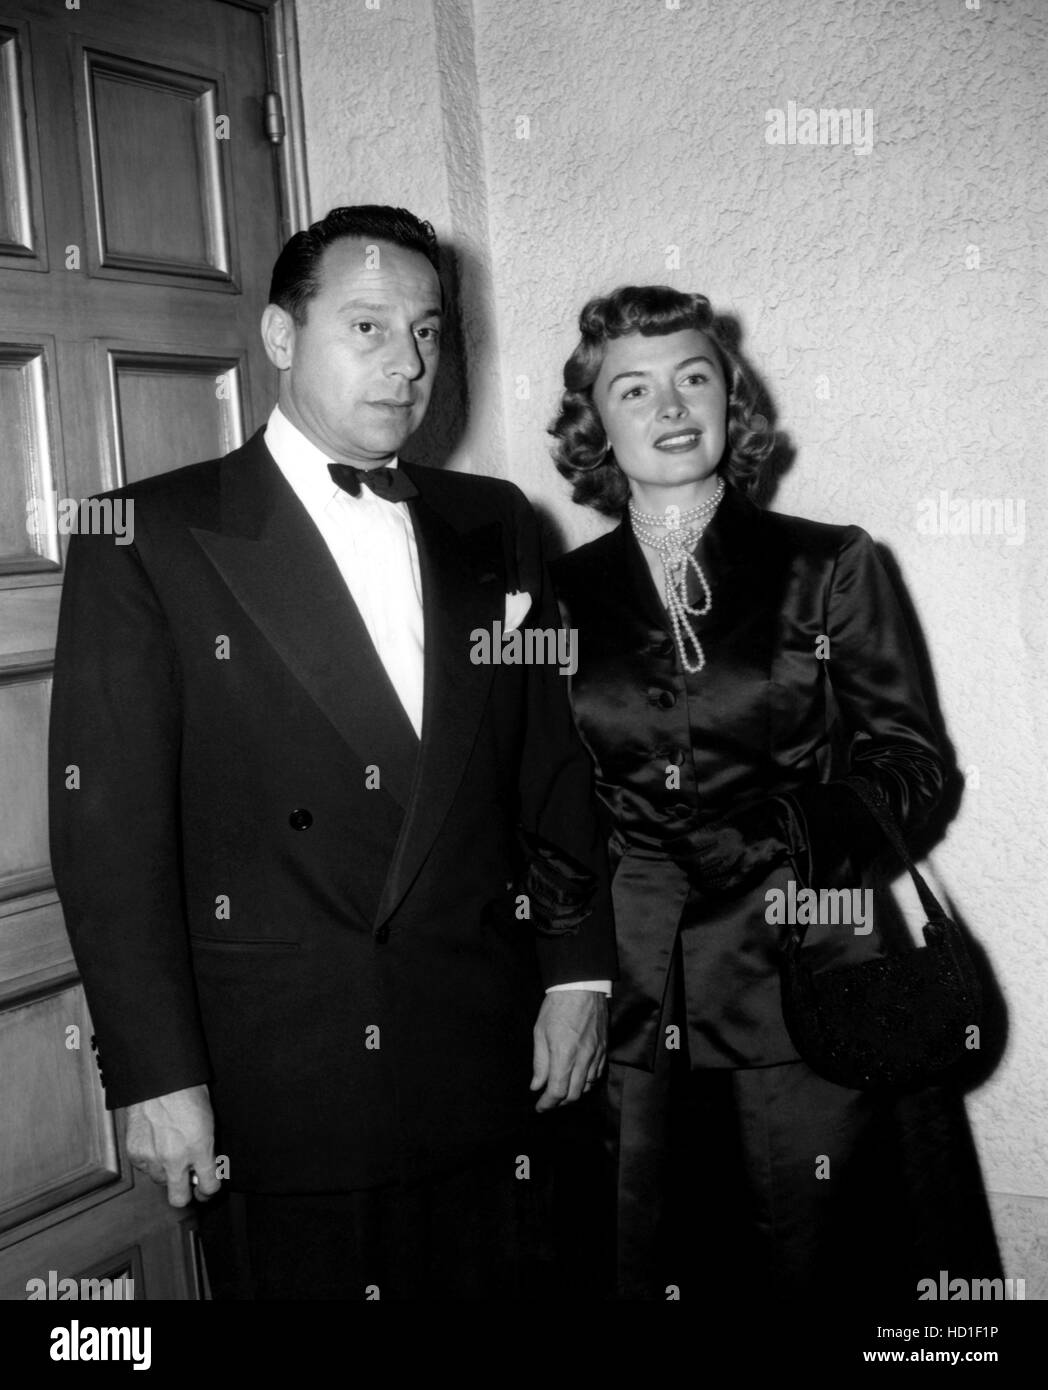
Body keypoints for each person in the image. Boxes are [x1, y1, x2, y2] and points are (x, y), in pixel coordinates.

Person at [47, 205, 616, 1301]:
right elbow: (107, 837)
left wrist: (576, 971)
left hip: (494, 1066)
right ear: (277, 337)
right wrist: (158, 1074)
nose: (407, 363)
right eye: (367, 326)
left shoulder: (496, 523)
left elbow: (549, 771)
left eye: (429, 332)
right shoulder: (147, 535)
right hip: (280, 1088)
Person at [548, 284, 1002, 1302]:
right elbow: (541, 802)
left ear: (729, 399)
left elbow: (913, 767)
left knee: (826, 1265)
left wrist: (786, 832)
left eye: (693, 378)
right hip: (627, 1001)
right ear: (595, 423)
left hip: (812, 977)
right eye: (634, 389)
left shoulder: (827, 564)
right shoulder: (558, 596)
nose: (670, 407)